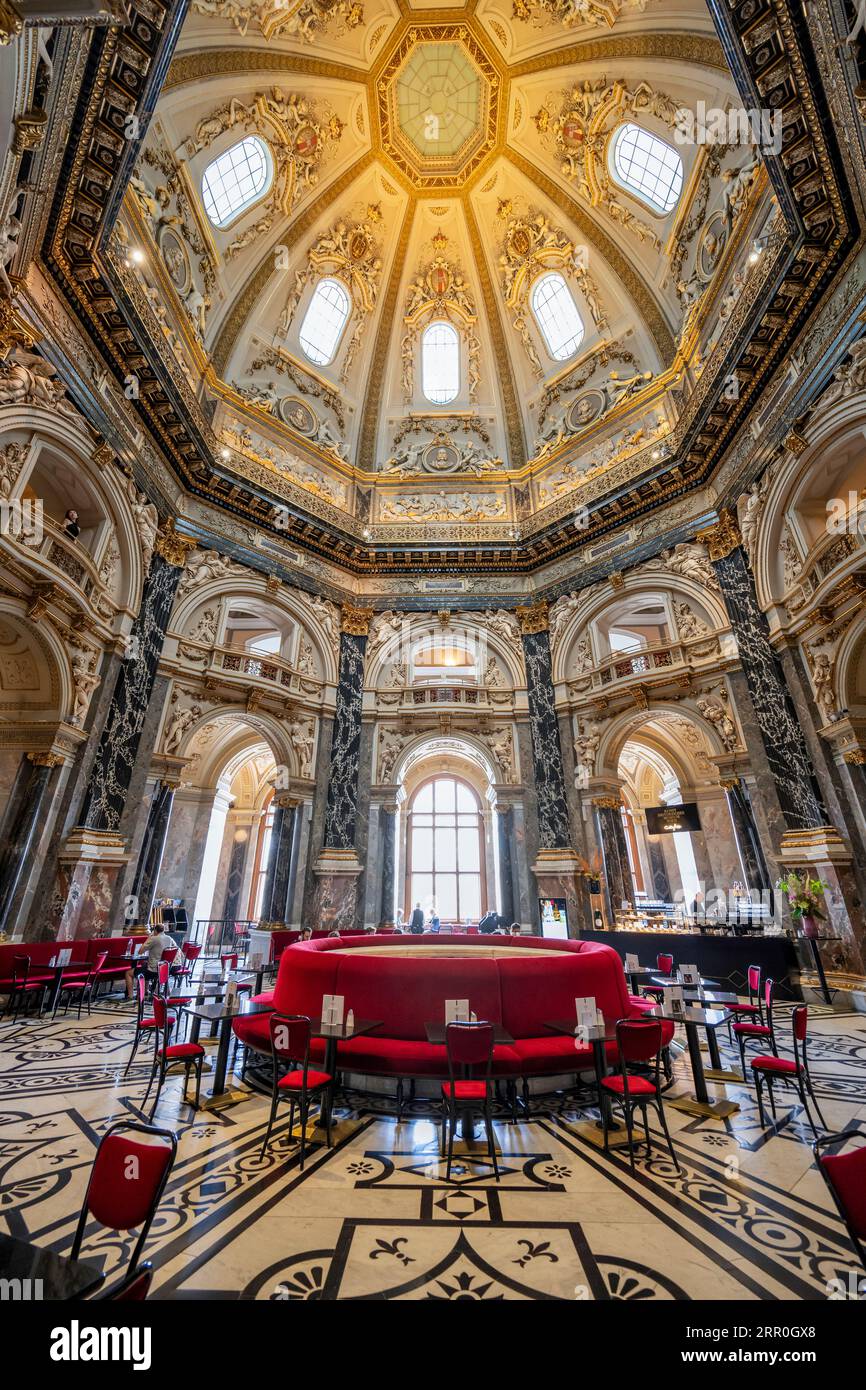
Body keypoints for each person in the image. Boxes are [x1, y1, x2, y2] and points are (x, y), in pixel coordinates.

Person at [141, 923, 177, 994]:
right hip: (165, 968)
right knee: (146, 965)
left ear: (155, 930)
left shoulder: (154, 938)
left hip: (153, 970)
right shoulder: (169, 938)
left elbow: (141, 951)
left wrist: (149, 937)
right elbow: (175, 948)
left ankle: (143, 992)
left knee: (135, 971)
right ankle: (150, 991)